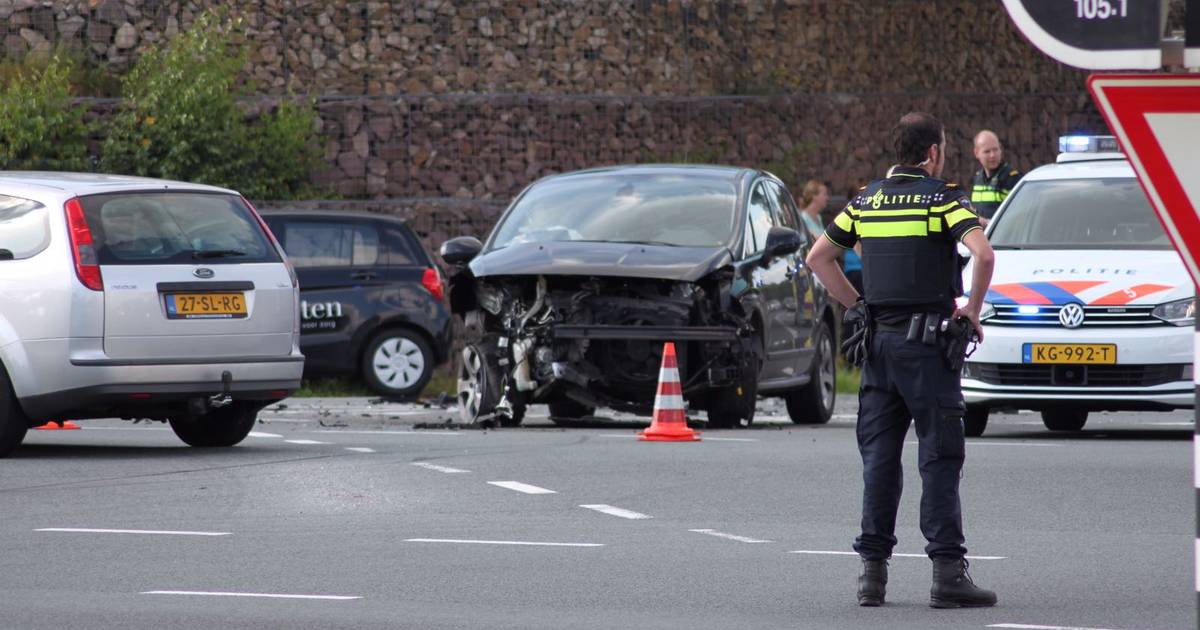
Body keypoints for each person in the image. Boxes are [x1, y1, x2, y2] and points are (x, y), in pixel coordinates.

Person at [805, 112, 997, 609]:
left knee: (880, 461)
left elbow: (818, 258)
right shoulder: (942, 198)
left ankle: (872, 577)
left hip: (879, 349)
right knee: (939, 458)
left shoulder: (865, 201)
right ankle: (948, 575)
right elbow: (984, 253)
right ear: (932, 152)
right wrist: (971, 314)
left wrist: (858, 307)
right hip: (928, 350)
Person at [970, 130, 1022, 220]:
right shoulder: (978, 178)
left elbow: (1017, 217)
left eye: (995, 149)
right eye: (987, 152)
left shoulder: (1011, 178)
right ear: (976, 153)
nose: (992, 155)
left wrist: (986, 223)